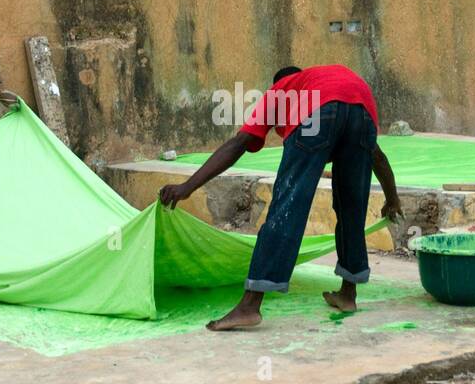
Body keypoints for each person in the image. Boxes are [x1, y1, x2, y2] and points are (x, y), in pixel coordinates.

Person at [159, 64, 402, 331]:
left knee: (288, 206)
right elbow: (377, 157)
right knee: (351, 206)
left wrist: (187, 187)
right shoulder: (325, 80)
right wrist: (392, 199)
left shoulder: (282, 90)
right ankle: (348, 294)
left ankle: (249, 307)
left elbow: (237, 145)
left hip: (319, 113)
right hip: (363, 109)